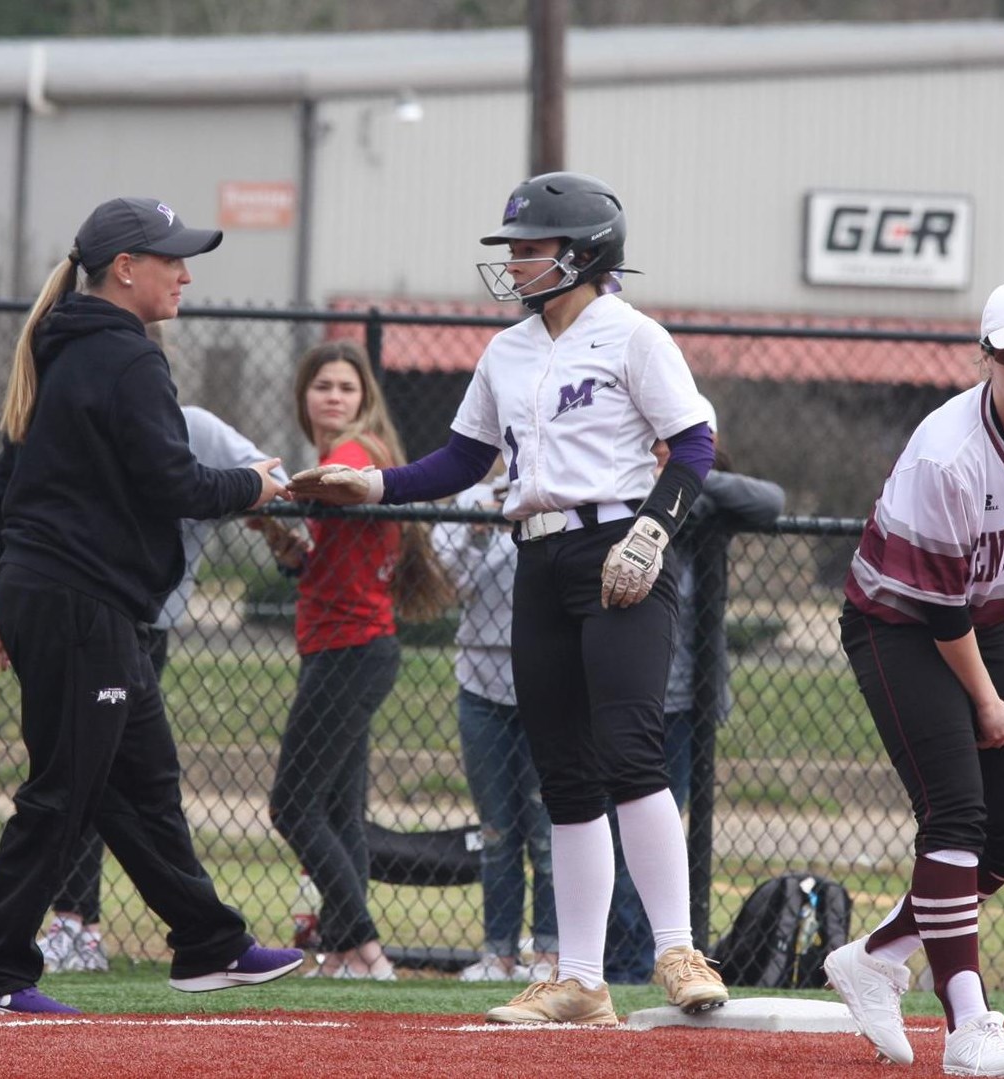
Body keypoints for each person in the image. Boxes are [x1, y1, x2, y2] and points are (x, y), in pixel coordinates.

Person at [289, 171, 730, 1025]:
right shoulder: (508, 349)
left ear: (582, 254)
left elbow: (694, 444)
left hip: (619, 549)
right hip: (538, 555)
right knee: (563, 774)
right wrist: (371, 484)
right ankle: (580, 977)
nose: (517, 262)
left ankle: (678, 947)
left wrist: (652, 531)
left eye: (531, 248)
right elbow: (460, 462)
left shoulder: (632, 336)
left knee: (632, 750)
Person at [0, 196, 303, 1015]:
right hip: (81, 601)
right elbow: (172, 483)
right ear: (125, 270)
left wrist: (5, 588)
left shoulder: (60, 347)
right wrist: (259, 484)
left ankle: (209, 942)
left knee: (141, 780)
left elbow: (8, 490)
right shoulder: (126, 357)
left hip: (63, 594)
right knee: (65, 788)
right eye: (170, 258)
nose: (184, 272)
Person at [825, 280, 1004, 1076]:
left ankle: (878, 955)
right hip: (898, 625)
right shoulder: (946, 454)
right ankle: (968, 1027)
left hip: (976, 620)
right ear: (984, 357)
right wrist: (987, 701)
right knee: (956, 811)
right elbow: (939, 610)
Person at [37, 405, 296, 975]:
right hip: (95, 618)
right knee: (87, 777)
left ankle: (189, 935)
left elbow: (263, 475)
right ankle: (71, 924)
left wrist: (258, 503)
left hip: (146, 630)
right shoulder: (89, 418)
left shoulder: (194, 426)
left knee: (128, 783)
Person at [269, 339, 455, 981]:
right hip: (345, 646)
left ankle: (366, 947)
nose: (334, 398)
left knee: (291, 806)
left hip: (351, 652)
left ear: (364, 400)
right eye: (322, 387)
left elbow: (331, 480)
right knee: (340, 811)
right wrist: (279, 530)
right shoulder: (338, 460)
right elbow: (317, 564)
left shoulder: (356, 454)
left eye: (347, 388)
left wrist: (269, 487)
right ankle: (348, 952)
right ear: (304, 398)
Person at [603, 406, 785, 985]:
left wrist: (689, 475)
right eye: (658, 440)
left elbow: (771, 501)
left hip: (685, 701)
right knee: (600, 830)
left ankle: (639, 963)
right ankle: (602, 960)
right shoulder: (617, 492)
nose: (663, 450)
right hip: (619, 690)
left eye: (680, 442)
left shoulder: (709, 500)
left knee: (651, 833)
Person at [433, 464, 559, 983]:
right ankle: (499, 953)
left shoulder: (561, 493)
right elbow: (450, 585)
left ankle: (551, 954)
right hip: (481, 685)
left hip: (547, 680)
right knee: (496, 830)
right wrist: (479, 531)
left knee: (549, 833)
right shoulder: (470, 502)